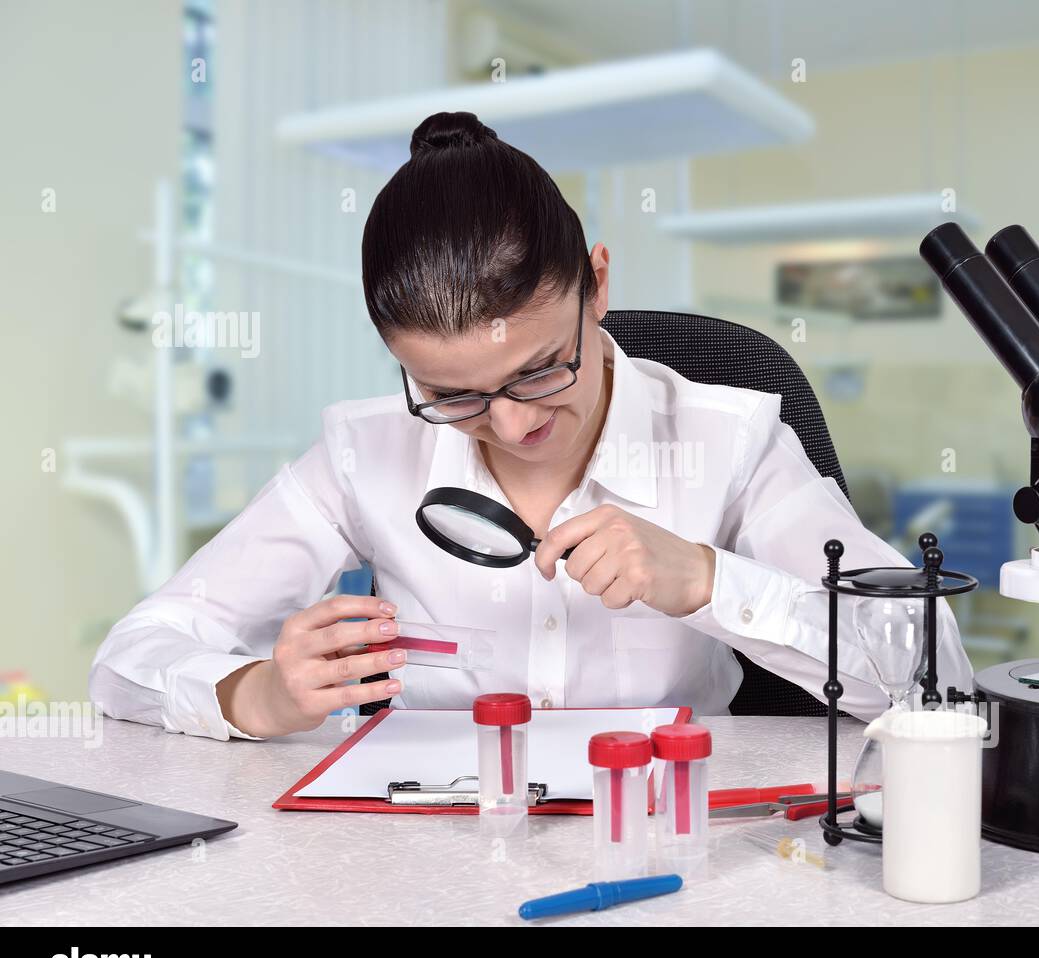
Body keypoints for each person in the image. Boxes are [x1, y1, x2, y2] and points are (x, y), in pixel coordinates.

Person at [89, 111, 971, 741]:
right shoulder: (365, 452)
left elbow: (936, 675)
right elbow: (131, 656)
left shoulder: (730, 439)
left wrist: (707, 579)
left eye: (541, 368)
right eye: (452, 393)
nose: (509, 424)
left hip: (673, 856)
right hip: (425, 874)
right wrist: (259, 695)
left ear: (598, 284)